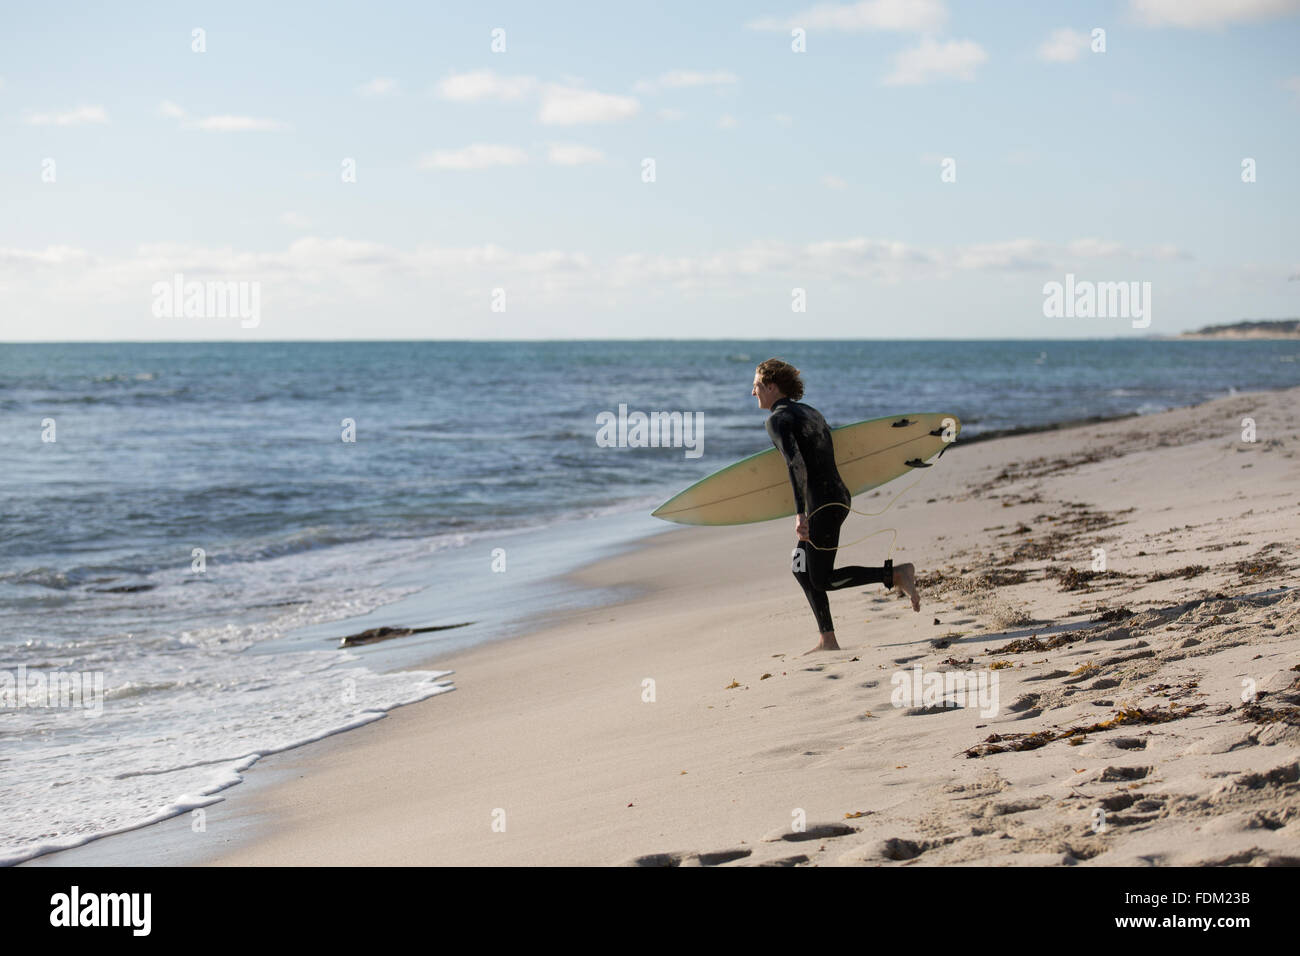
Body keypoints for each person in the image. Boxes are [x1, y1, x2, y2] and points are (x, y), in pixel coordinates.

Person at [752, 358, 921, 654]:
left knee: (822, 577)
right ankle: (827, 639)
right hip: (837, 496)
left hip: (821, 504)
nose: (753, 393)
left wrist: (800, 511)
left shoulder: (776, 420)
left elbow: (796, 464)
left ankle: (895, 574)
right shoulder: (810, 412)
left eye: (756, 386)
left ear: (771, 386)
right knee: (800, 566)